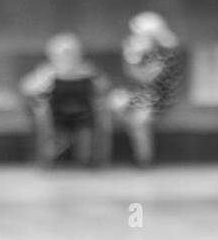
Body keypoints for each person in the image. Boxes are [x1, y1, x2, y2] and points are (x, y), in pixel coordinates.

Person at [20, 33, 109, 168]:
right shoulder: (46, 71)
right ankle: (49, 157)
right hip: (54, 115)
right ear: (52, 55)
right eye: (61, 54)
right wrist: (43, 84)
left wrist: (93, 80)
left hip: (84, 115)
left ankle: (89, 158)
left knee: (92, 124)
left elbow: (104, 88)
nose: (66, 57)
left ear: (78, 54)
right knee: (45, 118)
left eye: (71, 53)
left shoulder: (88, 70)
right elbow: (27, 88)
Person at [109, 12, 187, 167]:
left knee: (139, 120)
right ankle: (136, 142)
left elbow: (146, 78)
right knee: (114, 103)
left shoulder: (167, 50)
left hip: (161, 95)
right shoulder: (141, 49)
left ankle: (144, 160)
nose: (136, 37)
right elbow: (133, 79)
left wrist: (132, 58)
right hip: (142, 93)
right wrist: (132, 56)